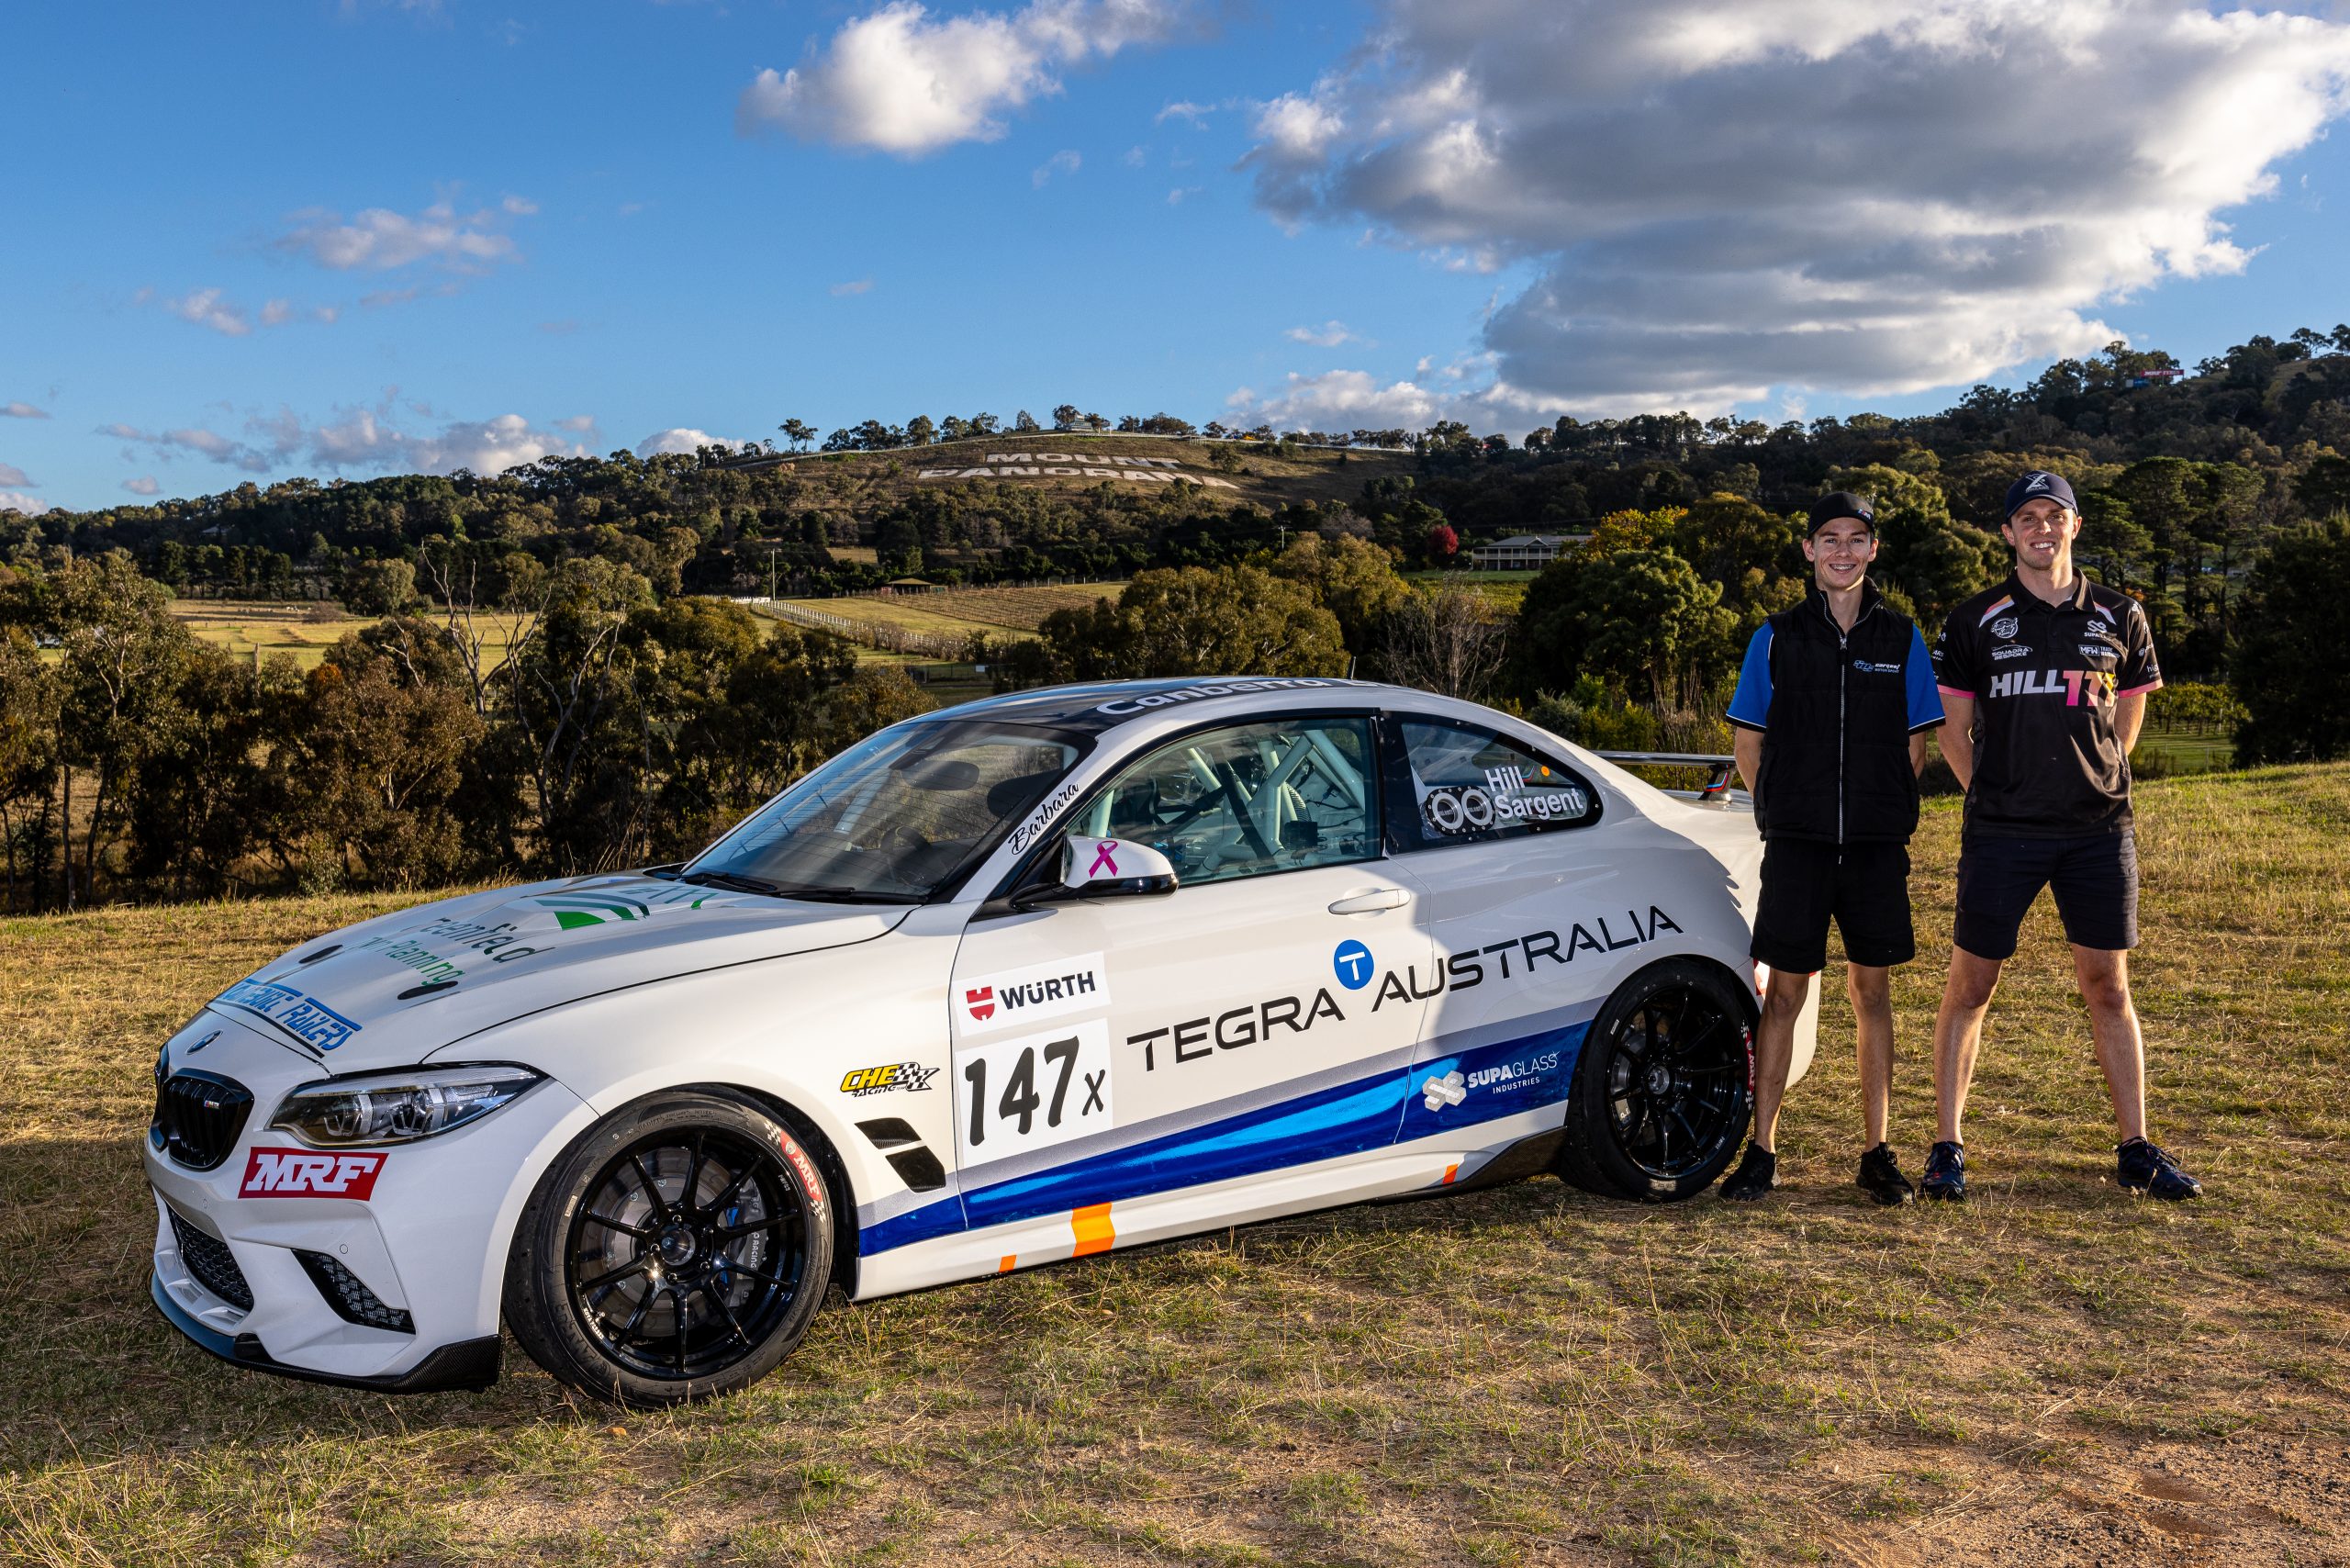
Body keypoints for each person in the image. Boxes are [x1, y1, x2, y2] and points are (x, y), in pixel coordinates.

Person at [1922, 470, 2201, 1202]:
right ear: (2009, 533)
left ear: (2075, 526)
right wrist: (1992, 793)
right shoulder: (1974, 618)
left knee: (2108, 986)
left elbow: (2130, 712)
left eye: (2055, 516)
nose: (2042, 529)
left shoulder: (2120, 613)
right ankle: (1947, 1148)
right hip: (2002, 831)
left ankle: (2136, 1148)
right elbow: (1953, 728)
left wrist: (2098, 776)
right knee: (1971, 985)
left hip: (2097, 832)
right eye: (2027, 519)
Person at [1719, 491, 1943, 1204]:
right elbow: (1748, 741)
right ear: (1809, 551)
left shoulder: (1902, 637)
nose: (1843, 551)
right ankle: (1762, 1152)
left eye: (1857, 539)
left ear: (1873, 550)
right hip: (1799, 844)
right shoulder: (1776, 636)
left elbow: (1916, 743)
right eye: (1829, 539)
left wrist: (1876, 807)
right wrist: (1785, 809)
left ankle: (1877, 1152)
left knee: (1872, 993)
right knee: (1784, 995)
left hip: (1875, 846)